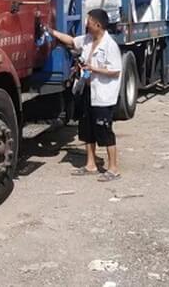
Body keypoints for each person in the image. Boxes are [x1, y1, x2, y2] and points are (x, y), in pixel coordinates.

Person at [51, 9, 123, 181]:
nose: (86, 23)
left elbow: (115, 70)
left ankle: (113, 168)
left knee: (104, 129)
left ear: (97, 25)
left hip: (103, 95)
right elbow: (71, 42)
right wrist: (51, 32)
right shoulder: (88, 40)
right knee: (86, 129)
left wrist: (93, 68)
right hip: (87, 91)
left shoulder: (110, 45)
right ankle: (90, 164)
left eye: (89, 21)